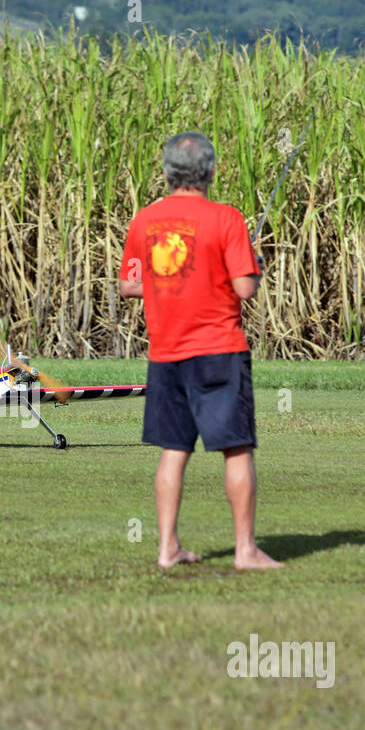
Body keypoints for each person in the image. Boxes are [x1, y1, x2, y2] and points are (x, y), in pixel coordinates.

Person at [118, 132, 282, 571]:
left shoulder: (144, 221)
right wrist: (257, 264)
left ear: (168, 173)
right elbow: (245, 288)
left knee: (174, 448)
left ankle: (167, 548)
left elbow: (128, 285)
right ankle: (246, 551)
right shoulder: (226, 219)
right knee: (236, 448)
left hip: (165, 353)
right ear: (210, 171)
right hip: (218, 351)